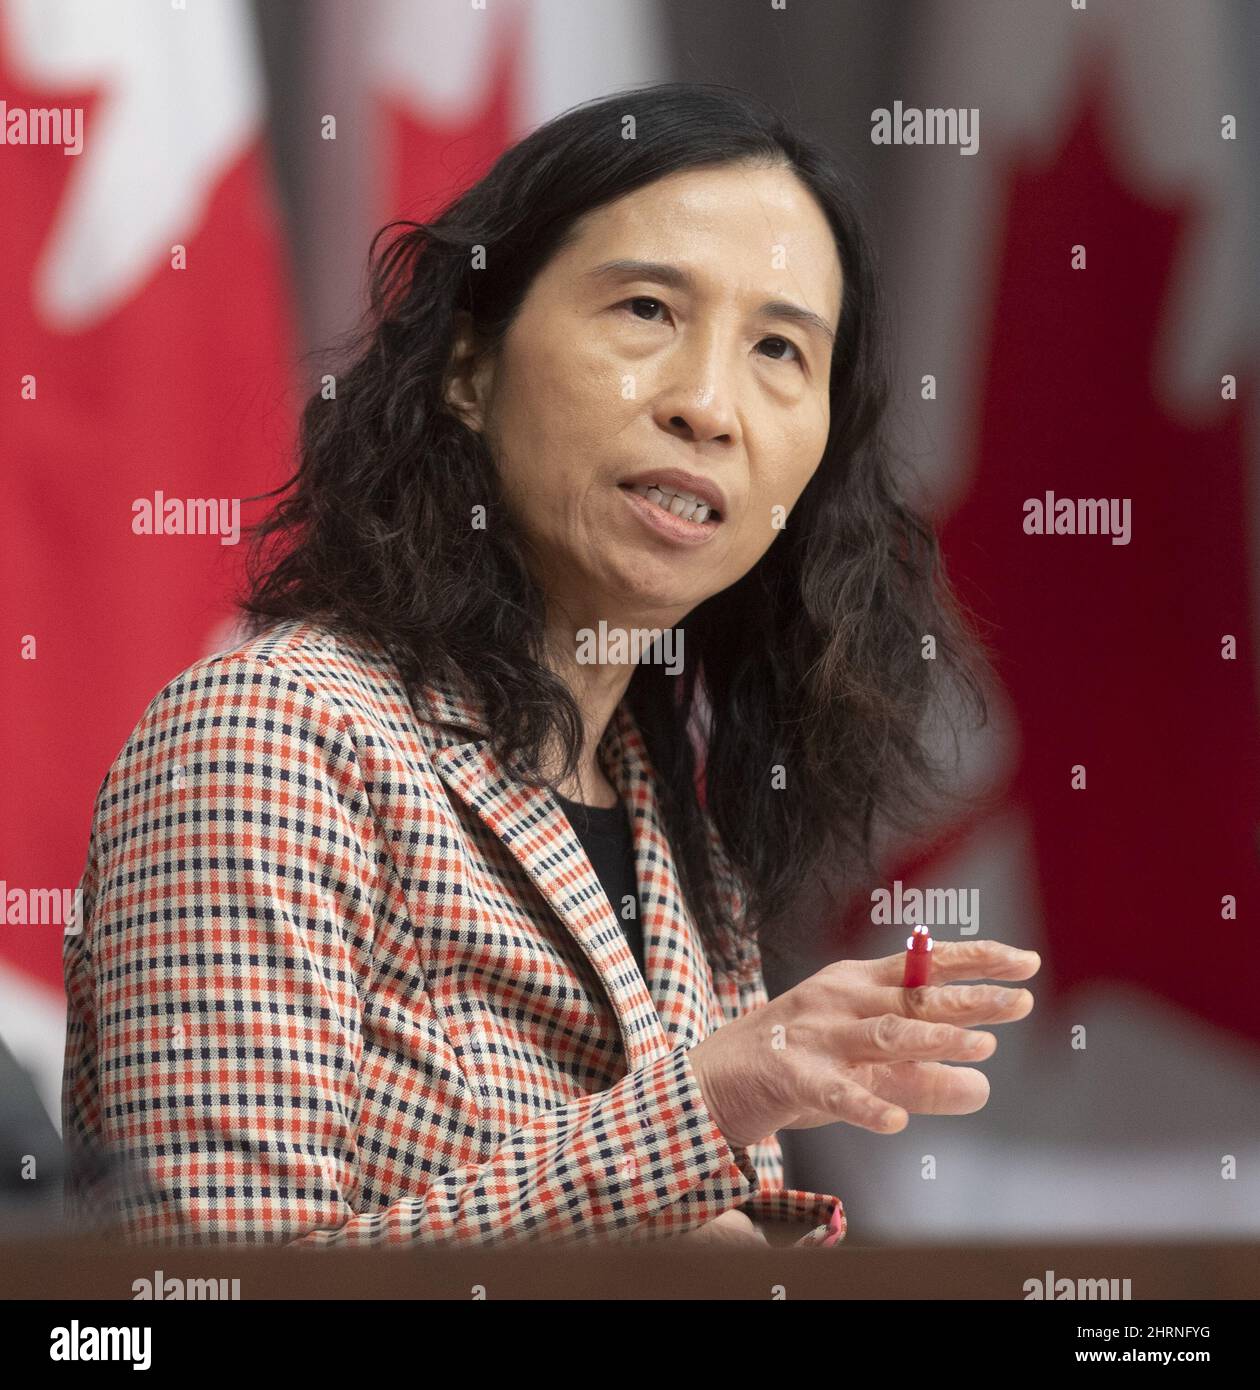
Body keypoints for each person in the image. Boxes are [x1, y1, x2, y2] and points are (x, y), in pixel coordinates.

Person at [61, 81, 1039, 1249]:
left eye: (780, 347)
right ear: (468, 367)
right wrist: (713, 1099)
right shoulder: (270, 731)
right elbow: (212, 1293)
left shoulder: (670, 809)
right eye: (645, 310)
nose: (709, 405)